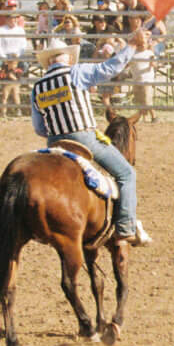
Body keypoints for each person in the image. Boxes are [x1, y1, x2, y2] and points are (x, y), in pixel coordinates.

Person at [31, 34, 152, 249]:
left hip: (54, 143)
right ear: (68, 58)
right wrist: (132, 45)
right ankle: (125, 227)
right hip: (83, 137)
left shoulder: (38, 86)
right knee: (126, 173)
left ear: (49, 61)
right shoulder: (76, 72)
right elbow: (109, 69)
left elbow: (39, 127)